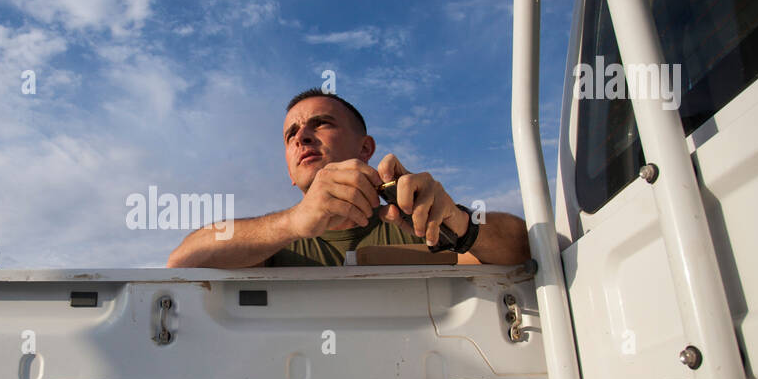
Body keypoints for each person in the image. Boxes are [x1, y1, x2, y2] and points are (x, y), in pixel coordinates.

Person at [167, 89, 531, 268]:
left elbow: (522, 252)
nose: (301, 137)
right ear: (289, 171)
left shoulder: (413, 222)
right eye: (290, 134)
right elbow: (184, 261)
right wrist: (293, 222)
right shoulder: (278, 246)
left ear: (365, 148)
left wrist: (459, 224)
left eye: (320, 124)